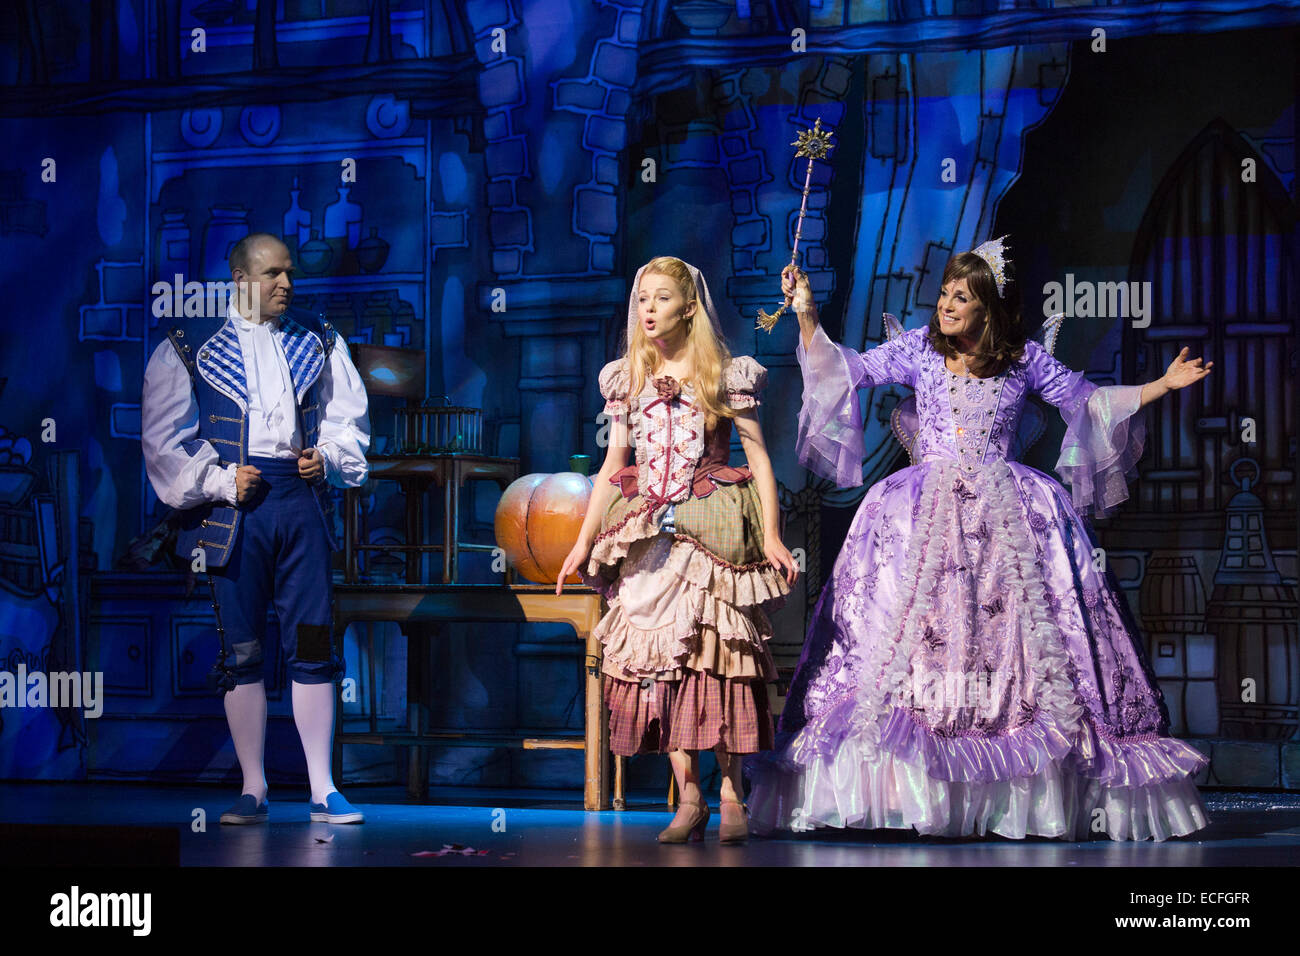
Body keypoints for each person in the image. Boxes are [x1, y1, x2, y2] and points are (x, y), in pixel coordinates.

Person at [747, 238, 1213, 841]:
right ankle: (909, 791)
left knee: (1026, 638)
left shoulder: (1020, 362)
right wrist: (807, 311)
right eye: (943, 294)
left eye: (959, 298)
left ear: (986, 309)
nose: (945, 306)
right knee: (906, 635)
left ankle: (1018, 793)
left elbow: (1091, 403)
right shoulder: (919, 349)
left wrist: (1161, 386)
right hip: (922, 510)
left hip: (1008, 514)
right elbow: (848, 370)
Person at [557, 256, 797, 844]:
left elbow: (758, 458)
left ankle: (732, 789)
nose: (648, 310)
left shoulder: (723, 373)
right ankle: (689, 796)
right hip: (645, 531)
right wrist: (583, 541)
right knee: (658, 664)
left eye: (661, 299)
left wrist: (770, 534)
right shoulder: (626, 378)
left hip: (708, 521)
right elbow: (615, 465)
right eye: (642, 300)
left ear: (689, 307)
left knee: (715, 658)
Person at [142, 233, 371, 825]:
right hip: (235, 508)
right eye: (272, 274)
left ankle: (323, 788)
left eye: (289, 273)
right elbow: (164, 443)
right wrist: (218, 481)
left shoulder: (316, 339)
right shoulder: (189, 345)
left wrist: (328, 457)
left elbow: (349, 421)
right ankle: (253, 788)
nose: (286, 285)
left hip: (300, 501)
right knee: (241, 649)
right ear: (240, 279)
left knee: (314, 645)